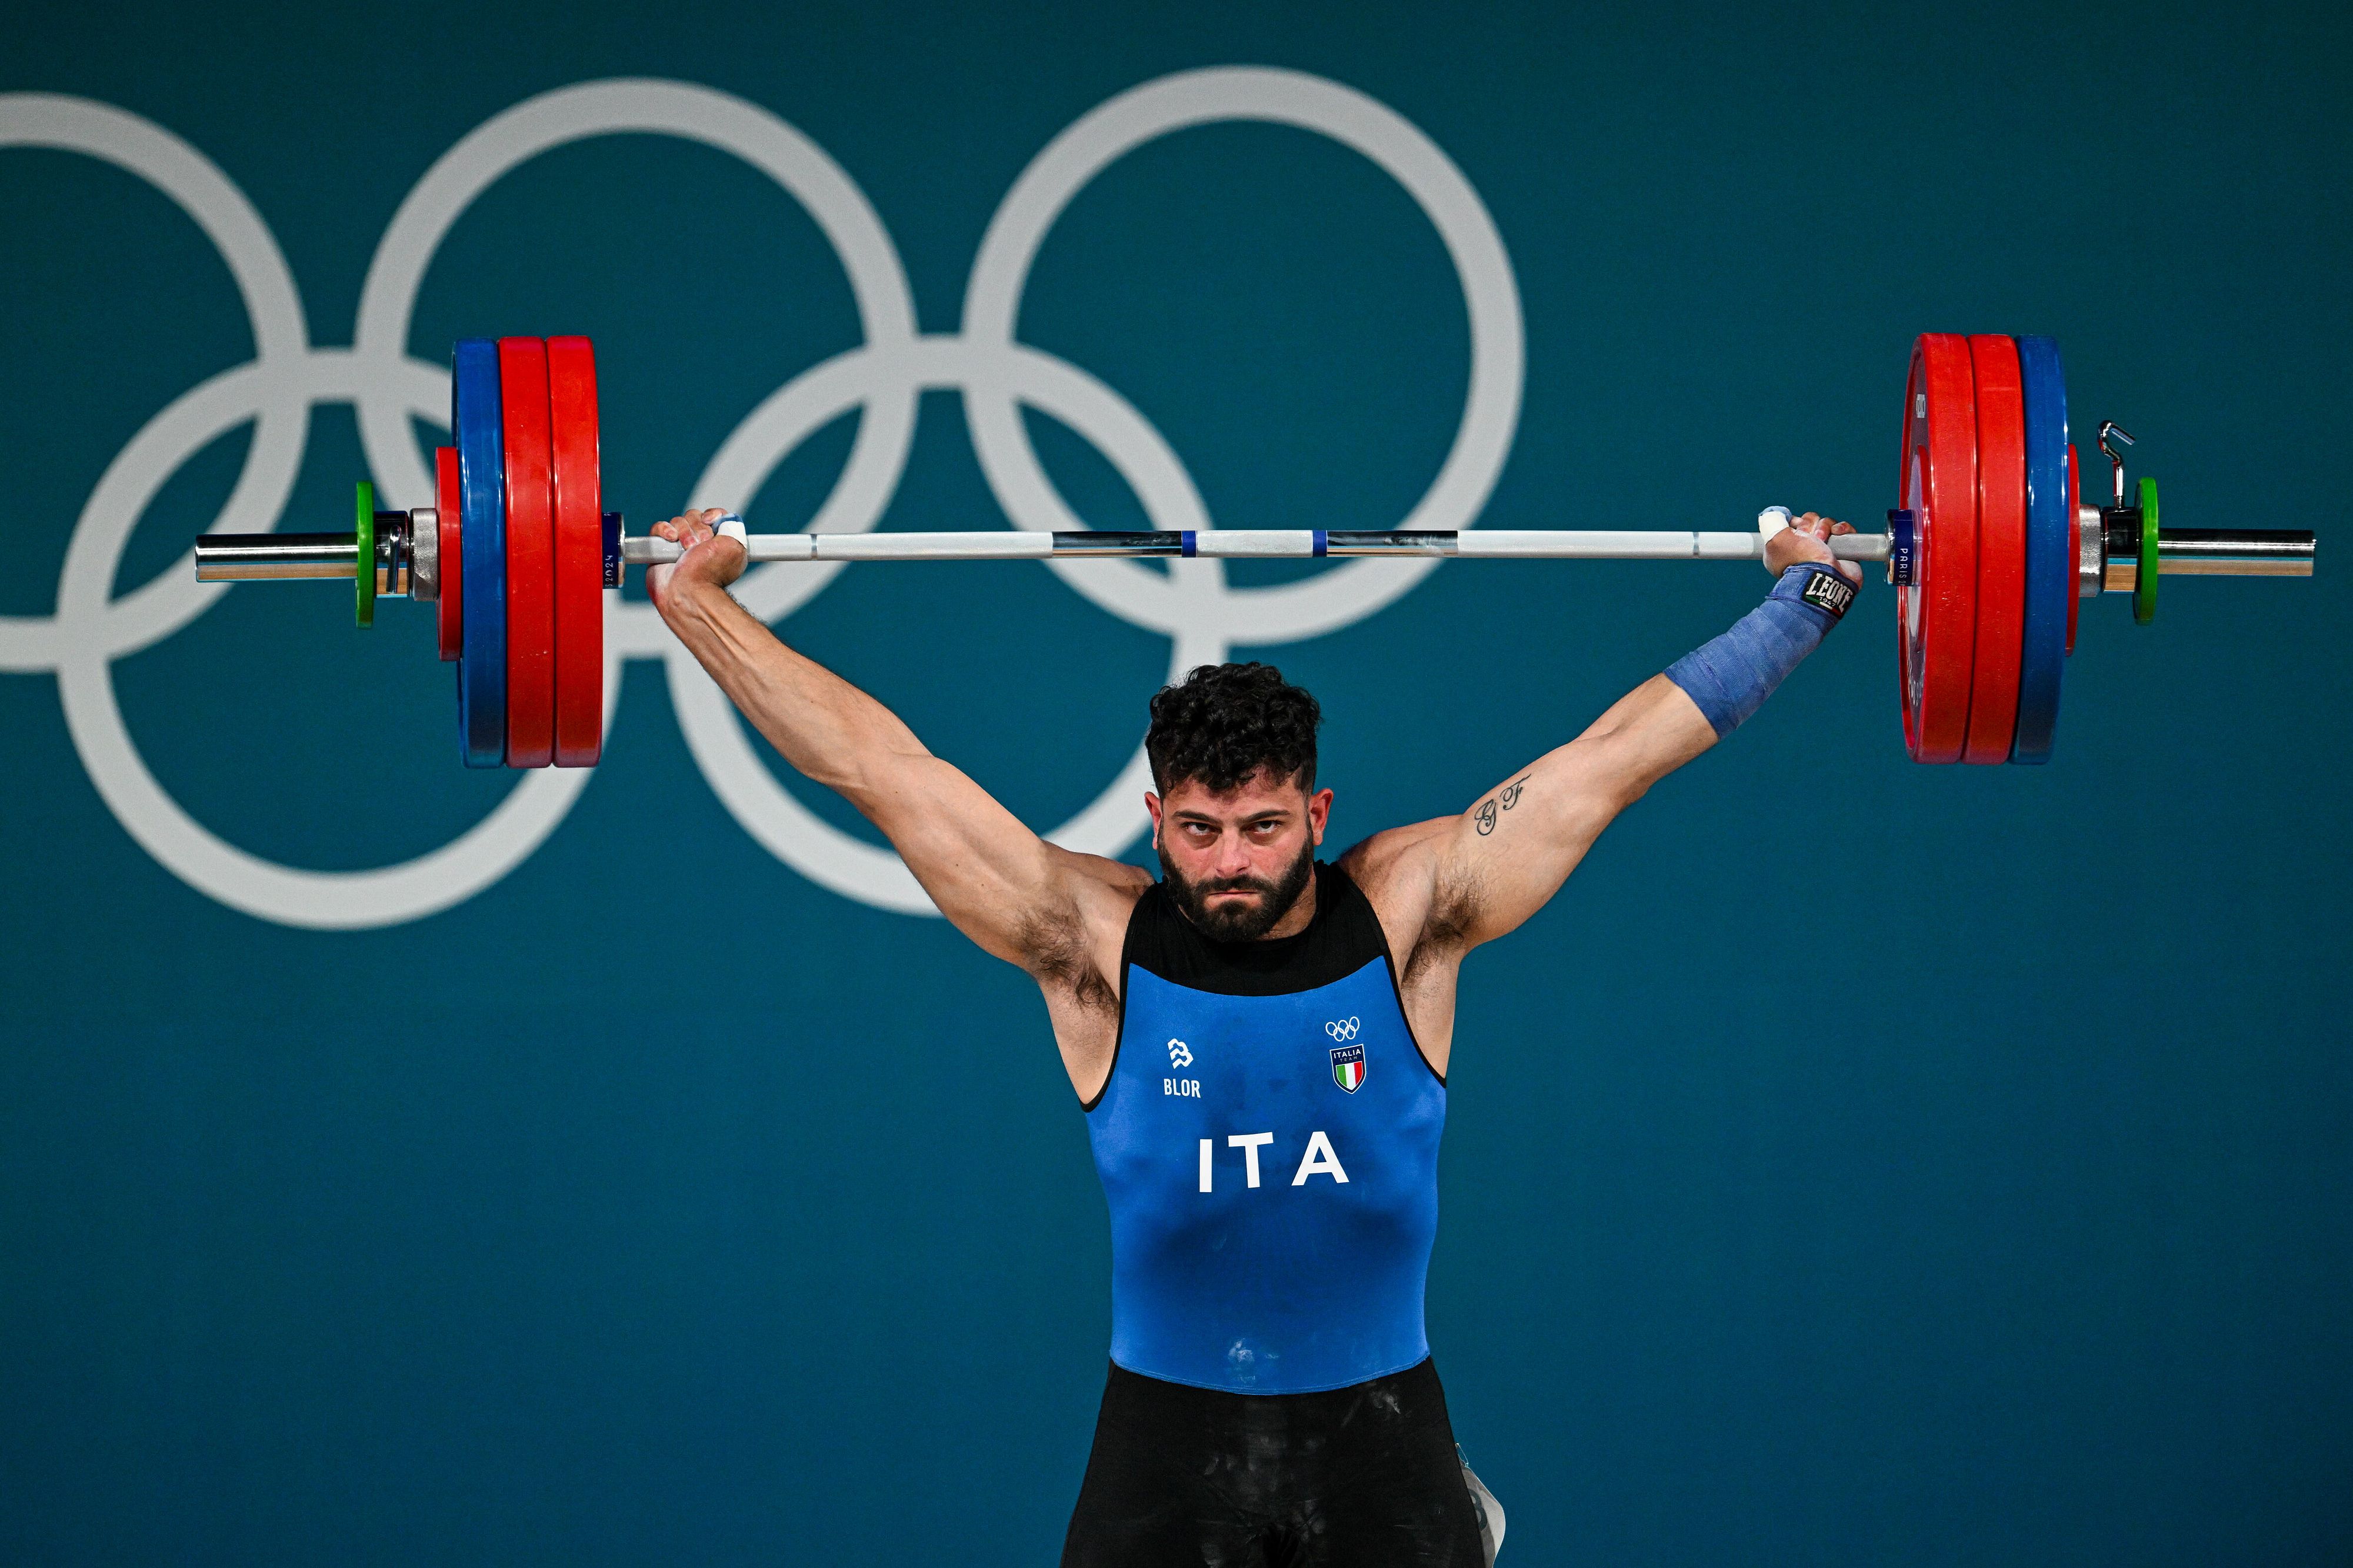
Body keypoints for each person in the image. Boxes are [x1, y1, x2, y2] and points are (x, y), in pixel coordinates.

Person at [646, 508, 1863, 1567]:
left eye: (1264, 826)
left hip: (1380, 1438)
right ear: (1153, 817)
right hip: (1165, 1445)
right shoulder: (1091, 942)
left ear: (1317, 809)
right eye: (1197, 828)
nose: (1230, 862)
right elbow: (879, 770)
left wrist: (1802, 598)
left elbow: (1611, 763)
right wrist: (693, 607)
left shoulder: (1411, 908)